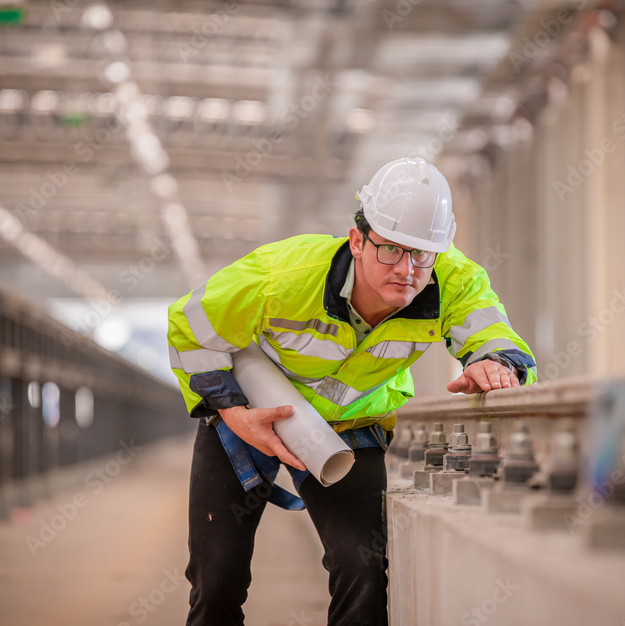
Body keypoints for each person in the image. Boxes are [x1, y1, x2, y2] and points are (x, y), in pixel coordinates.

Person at [167, 156, 537, 625]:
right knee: (217, 580)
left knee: (363, 569)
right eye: (390, 250)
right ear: (357, 241)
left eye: (422, 253)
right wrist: (237, 415)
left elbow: (494, 333)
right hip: (246, 420)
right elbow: (188, 325)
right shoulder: (280, 278)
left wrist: (494, 362)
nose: (407, 268)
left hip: (349, 431)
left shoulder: (452, 281)